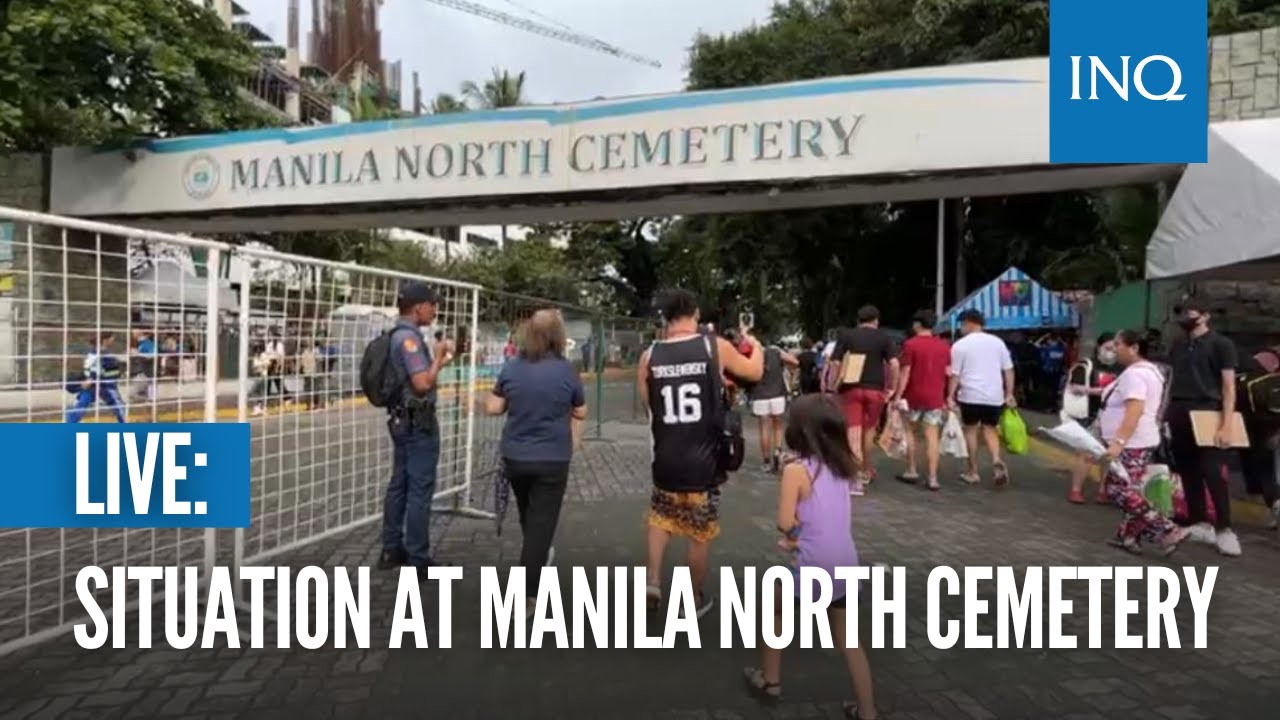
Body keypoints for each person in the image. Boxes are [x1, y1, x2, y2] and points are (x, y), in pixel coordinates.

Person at [741, 394, 878, 720]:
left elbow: (785, 522)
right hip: (846, 564)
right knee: (849, 641)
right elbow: (831, 517)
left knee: (772, 608)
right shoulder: (845, 466)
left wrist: (792, 539)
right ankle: (868, 711)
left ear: (798, 432)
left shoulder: (796, 471)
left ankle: (771, 681)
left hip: (814, 567)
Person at [639, 289, 763, 618]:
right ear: (694, 314)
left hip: (665, 456)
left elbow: (647, 405)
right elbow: (753, 372)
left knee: (659, 519)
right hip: (704, 461)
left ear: (666, 318)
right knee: (698, 532)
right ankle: (691, 599)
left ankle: (653, 580)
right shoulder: (714, 346)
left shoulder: (649, 356)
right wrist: (759, 347)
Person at [485, 309, 587, 608]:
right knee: (541, 523)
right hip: (553, 457)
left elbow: (495, 406)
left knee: (530, 513)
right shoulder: (567, 371)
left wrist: (479, 401)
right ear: (559, 336)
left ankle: (537, 555)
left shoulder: (512, 367)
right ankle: (527, 594)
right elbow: (580, 410)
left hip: (516, 457)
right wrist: (574, 440)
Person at [378, 281, 455, 578]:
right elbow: (423, 385)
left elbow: (418, 378)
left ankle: (391, 548)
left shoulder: (396, 335)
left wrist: (443, 362)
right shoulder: (409, 340)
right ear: (418, 306)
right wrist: (437, 357)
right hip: (417, 423)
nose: (435, 310)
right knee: (419, 490)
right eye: (432, 305)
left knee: (399, 485)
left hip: (402, 420)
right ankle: (418, 559)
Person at [1099, 330, 1188, 555]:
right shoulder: (1150, 372)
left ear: (1134, 348)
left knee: (1117, 488)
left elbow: (1135, 409)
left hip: (1132, 441)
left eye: (1118, 345)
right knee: (1132, 488)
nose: (1113, 349)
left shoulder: (1135, 375)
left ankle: (1166, 528)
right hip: (1141, 438)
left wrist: (1119, 441)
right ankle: (1128, 535)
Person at [1165, 302, 1242, 556]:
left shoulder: (1221, 345)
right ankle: (1199, 520)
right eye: (1181, 313)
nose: (1184, 317)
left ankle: (1224, 528)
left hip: (1209, 408)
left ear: (1205, 315)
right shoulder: (1178, 344)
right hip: (1179, 408)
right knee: (1187, 469)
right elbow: (1171, 379)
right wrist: (1162, 414)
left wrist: (1227, 424)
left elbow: (1228, 386)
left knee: (1211, 469)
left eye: (1190, 313)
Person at [829, 306, 900, 492]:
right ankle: (866, 470)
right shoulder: (884, 338)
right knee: (869, 431)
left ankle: (854, 476)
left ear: (858, 320)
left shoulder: (847, 335)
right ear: (876, 320)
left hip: (851, 388)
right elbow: (894, 364)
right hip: (875, 389)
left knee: (853, 431)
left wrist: (832, 385)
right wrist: (892, 387)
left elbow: (835, 362)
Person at [946, 309, 1015, 487]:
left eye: (961, 324)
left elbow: (955, 374)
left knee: (970, 431)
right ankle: (996, 460)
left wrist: (950, 395)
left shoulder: (960, 345)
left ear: (969, 323)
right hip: (994, 396)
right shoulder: (998, 343)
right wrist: (1009, 393)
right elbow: (1008, 370)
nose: (960, 329)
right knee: (990, 429)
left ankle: (973, 471)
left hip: (970, 395)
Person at [891, 310, 950, 491]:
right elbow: (948, 372)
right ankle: (932, 478)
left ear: (917, 324)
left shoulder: (910, 344)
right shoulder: (944, 346)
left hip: (913, 396)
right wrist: (948, 396)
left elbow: (905, 373)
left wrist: (898, 396)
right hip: (935, 397)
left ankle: (911, 470)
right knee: (932, 437)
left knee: (910, 433)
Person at [1065, 333, 1122, 504]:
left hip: (1112, 417)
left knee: (1108, 455)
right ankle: (1076, 490)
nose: (1111, 352)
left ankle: (1103, 489)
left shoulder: (1122, 368)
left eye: (1115, 348)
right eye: (1108, 348)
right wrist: (1099, 391)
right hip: (1089, 415)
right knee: (1086, 453)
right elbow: (1075, 387)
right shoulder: (1086, 364)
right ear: (1099, 347)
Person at [1235, 345, 1280, 529]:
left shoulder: (1250, 376)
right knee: (1267, 471)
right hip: (1269, 428)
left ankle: (1275, 505)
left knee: (1265, 471)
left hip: (1258, 428)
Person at [750, 341, 800, 473]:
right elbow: (795, 362)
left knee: (764, 428)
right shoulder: (776, 351)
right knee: (778, 426)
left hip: (760, 394)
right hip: (777, 393)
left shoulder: (754, 353)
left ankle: (766, 461)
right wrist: (785, 366)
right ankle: (777, 452)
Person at [67, 331, 127, 424]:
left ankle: (69, 424)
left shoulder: (93, 352)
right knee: (118, 406)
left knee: (81, 405)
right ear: (105, 340)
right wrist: (92, 379)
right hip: (105, 385)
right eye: (112, 338)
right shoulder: (101, 354)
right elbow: (97, 368)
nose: (113, 340)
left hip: (94, 384)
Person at [1038, 333, 1068, 411]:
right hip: (1047, 372)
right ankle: (1049, 406)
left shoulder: (1060, 348)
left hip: (1055, 372)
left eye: (1051, 340)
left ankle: (1052, 406)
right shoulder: (1047, 348)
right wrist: (1044, 337)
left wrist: (1059, 339)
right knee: (1048, 391)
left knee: (1053, 390)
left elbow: (1066, 346)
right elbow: (1035, 345)